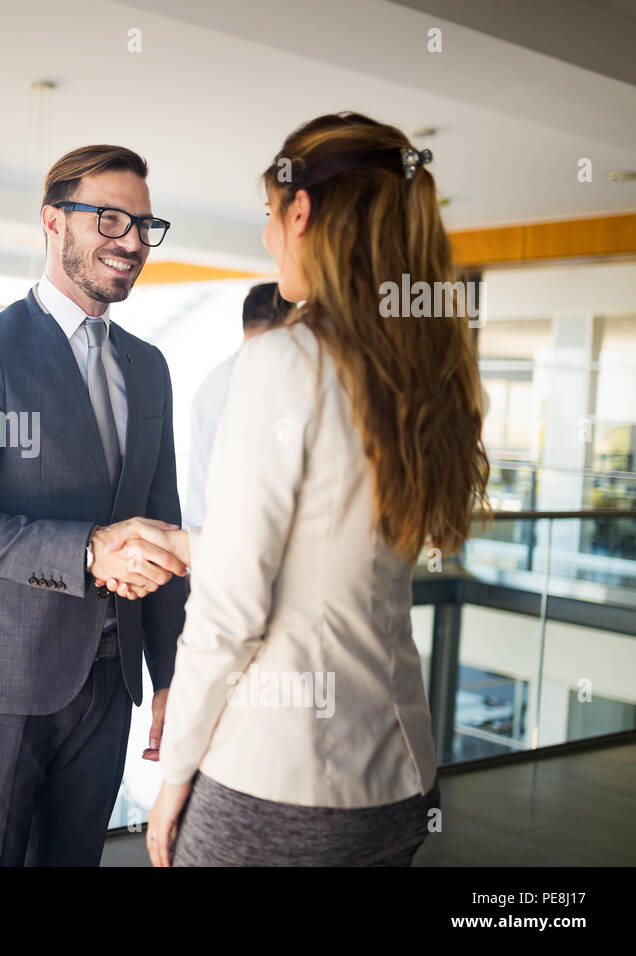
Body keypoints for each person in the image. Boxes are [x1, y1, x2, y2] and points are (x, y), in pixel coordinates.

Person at [129, 112, 489, 866]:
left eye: (268, 214)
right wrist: (195, 542)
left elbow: (231, 612)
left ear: (303, 211)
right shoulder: (427, 375)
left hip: (283, 779)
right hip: (399, 776)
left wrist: (171, 780)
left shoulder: (285, 361)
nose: (267, 236)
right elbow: (333, 553)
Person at [0, 144, 189, 866]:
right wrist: (89, 548)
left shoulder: (149, 367)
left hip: (110, 680)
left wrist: (171, 679)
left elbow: (163, 529)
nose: (131, 241)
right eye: (109, 219)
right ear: (52, 221)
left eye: (143, 225)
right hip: (3, 675)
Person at [182, 281, 294, 528]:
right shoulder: (276, 378)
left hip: (204, 532)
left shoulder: (213, 381)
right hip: (246, 537)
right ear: (291, 323)